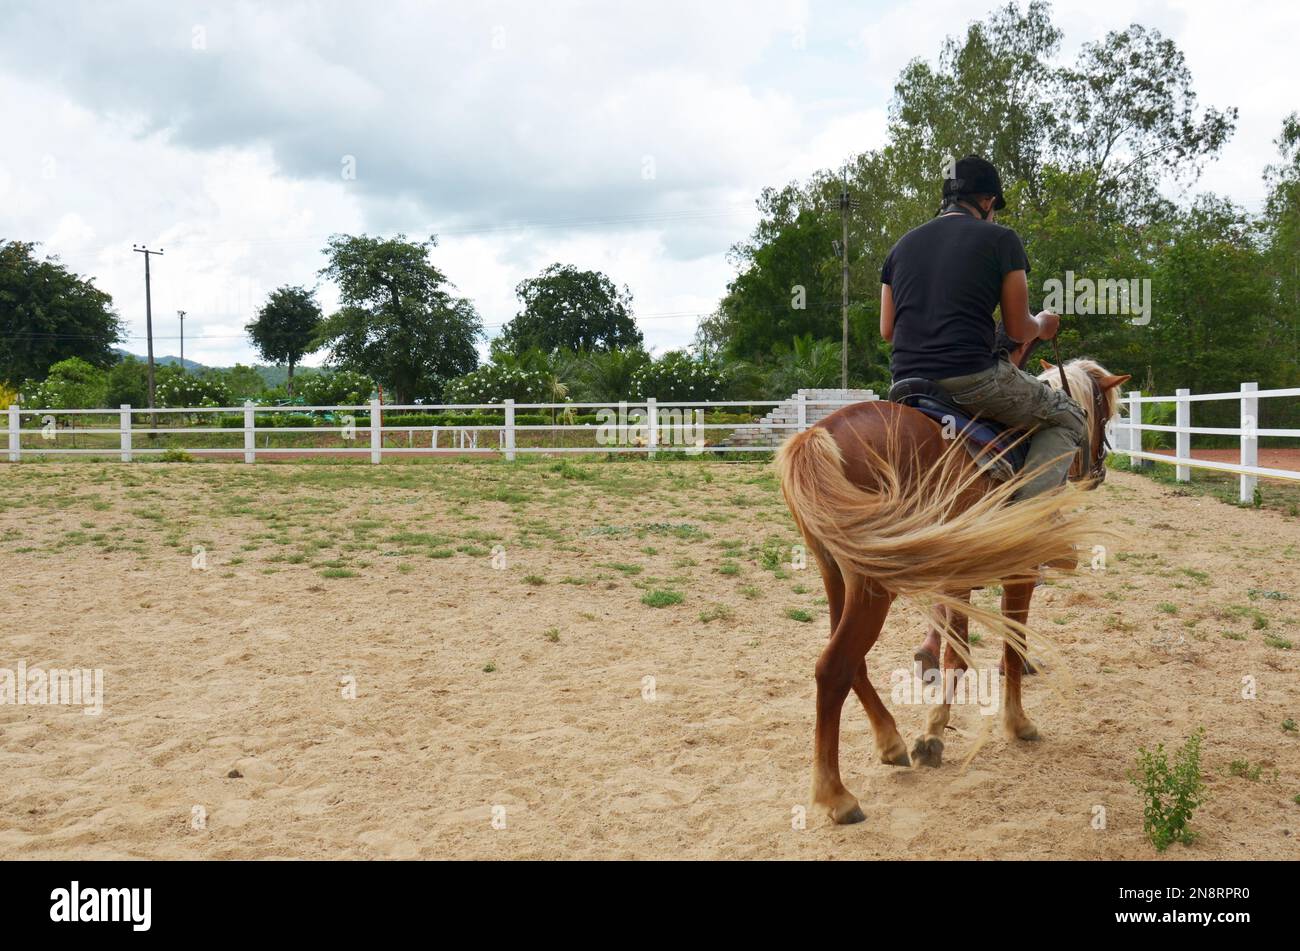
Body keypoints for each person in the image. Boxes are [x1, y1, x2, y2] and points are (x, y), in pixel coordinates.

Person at [878, 155, 1086, 676]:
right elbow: (1016, 329)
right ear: (988, 200)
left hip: (905, 385)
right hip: (972, 378)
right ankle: (1030, 527)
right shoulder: (1001, 240)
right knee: (1068, 417)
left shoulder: (901, 246)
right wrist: (1045, 324)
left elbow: (887, 330)